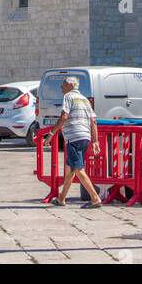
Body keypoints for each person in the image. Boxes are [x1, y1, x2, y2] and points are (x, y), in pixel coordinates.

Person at [47, 76, 102, 207]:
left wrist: (51, 133)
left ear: (71, 86)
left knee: (77, 168)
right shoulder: (85, 100)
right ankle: (61, 199)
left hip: (73, 137)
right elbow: (93, 121)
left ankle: (95, 199)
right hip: (85, 137)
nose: (61, 87)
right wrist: (95, 140)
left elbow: (64, 116)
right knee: (70, 169)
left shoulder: (68, 97)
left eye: (63, 84)